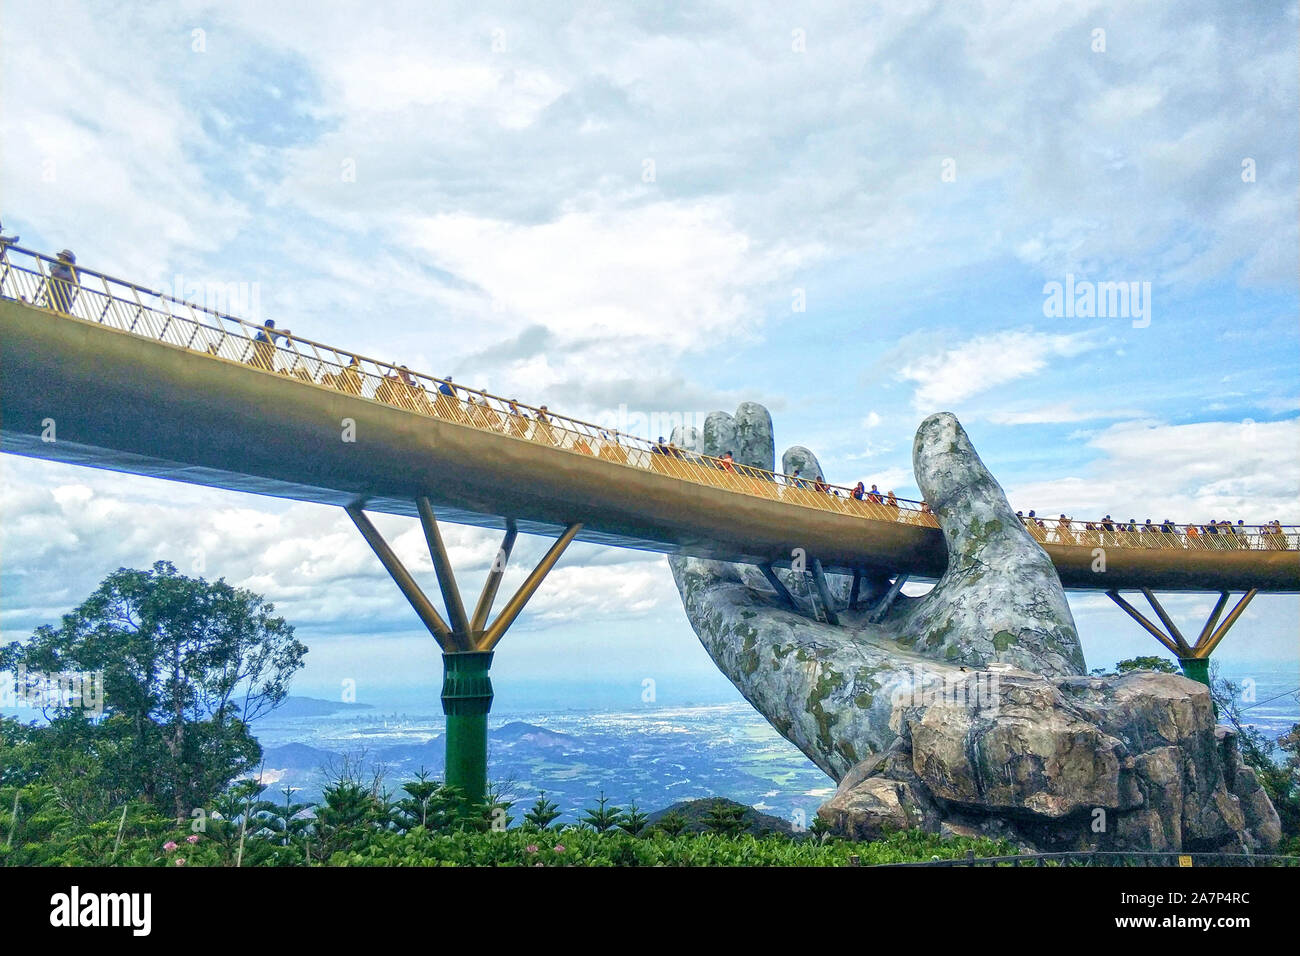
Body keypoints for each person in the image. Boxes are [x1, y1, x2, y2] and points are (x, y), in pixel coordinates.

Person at [47, 249, 79, 314]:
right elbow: (54, 272)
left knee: (65, 305)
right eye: (62, 257)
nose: (63, 259)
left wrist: (66, 274)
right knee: (52, 302)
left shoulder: (74, 269)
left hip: (66, 289)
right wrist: (60, 265)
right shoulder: (54, 263)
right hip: (54, 286)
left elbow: (76, 282)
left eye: (66, 258)